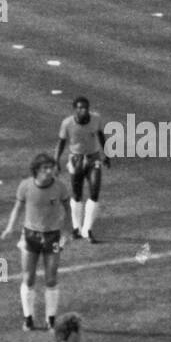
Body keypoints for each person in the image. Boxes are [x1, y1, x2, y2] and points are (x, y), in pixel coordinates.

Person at [0, 153, 73, 331]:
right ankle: (28, 318)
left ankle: (51, 320)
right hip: (30, 235)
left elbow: (67, 208)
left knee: (51, 278)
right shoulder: (25, 186)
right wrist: (10, 227)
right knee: (28, 277)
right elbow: (17, 208)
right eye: (45, 168)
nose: (50, 171)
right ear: (36, 171)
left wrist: (68, 231)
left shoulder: (60, 187)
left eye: (52, 167)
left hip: (53, 236)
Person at [55, 96, 109, 242]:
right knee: (77, 195)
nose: (84, 110)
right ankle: (76, 228)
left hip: (93, 158)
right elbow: (61, 143)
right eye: (80, 107)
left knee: (95, 192)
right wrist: (56, 161)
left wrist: (107, 155)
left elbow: (101, 136)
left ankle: (87, 230)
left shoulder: (96, 119)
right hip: (76, 159)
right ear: (75, 109)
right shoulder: (67, 123)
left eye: (86, 107)